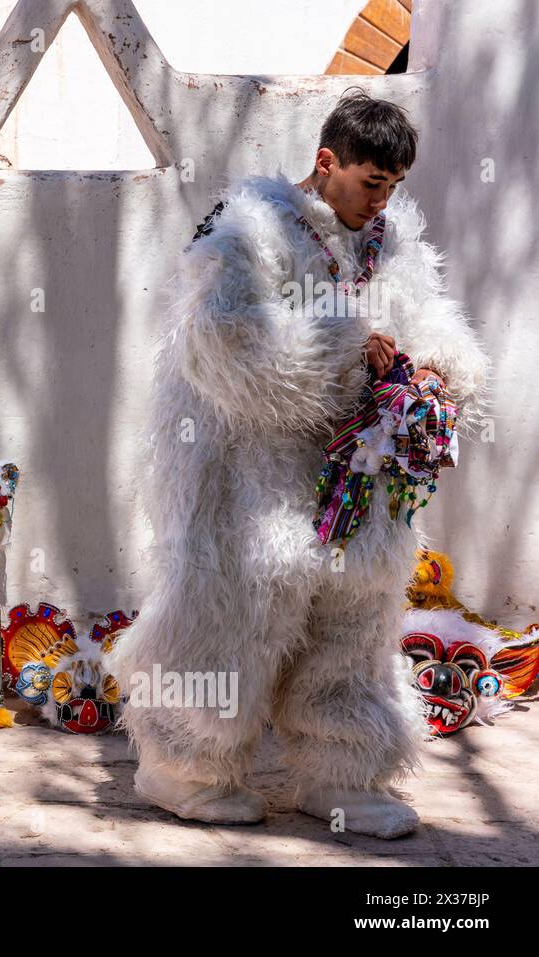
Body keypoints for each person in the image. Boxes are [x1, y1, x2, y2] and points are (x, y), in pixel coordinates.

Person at [110, 89, 490, 838]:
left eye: (393, 187)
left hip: (358, 480)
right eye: (370, 183)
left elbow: (427, 314)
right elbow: (222, 342)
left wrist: (439, 367)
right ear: (327, 161)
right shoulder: (246, 230)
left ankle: (343, 775)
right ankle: (181, 766)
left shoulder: (390, 239)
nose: (380, 202)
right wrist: (351, 341)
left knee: (354, 625)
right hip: (252, 472)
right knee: (233, 614)